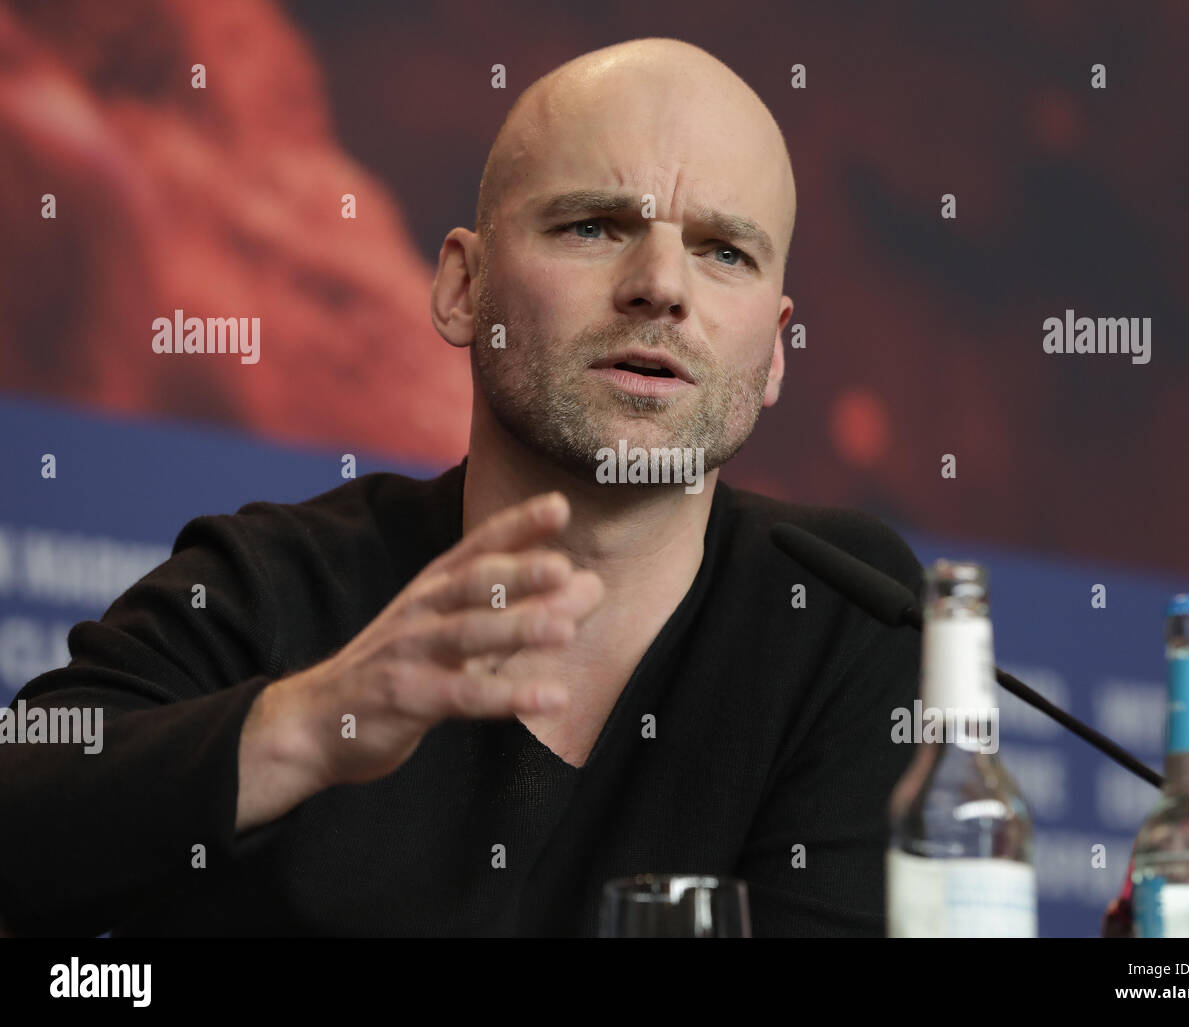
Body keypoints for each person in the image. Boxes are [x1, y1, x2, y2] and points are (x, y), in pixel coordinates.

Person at [0, 37, 923, 937]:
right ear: (461, 289)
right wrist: (310, 722)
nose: (660, 286)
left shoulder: (843, 607)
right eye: (594, 226)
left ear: (774, 350)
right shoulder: (277, 579)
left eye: (725, 251)